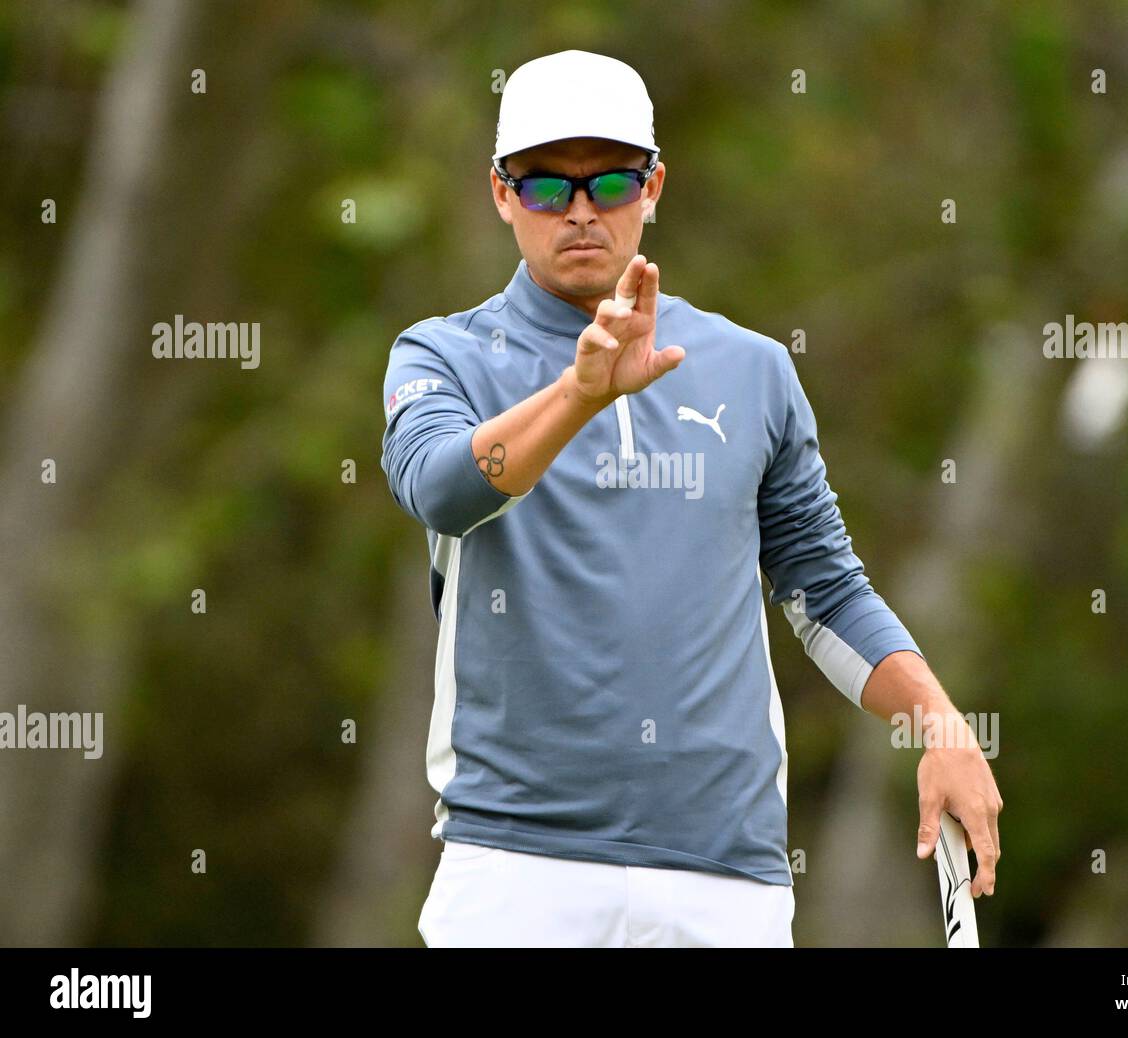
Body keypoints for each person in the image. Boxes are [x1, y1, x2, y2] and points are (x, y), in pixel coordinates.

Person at [380, 49, 1002, 947]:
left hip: (727, 878)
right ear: (502, 194)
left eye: (614, 182)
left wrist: (939, 725)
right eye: (549, 186)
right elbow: (443, 490)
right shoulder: (445, 355)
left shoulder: (753, 369)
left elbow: (824, 591)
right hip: (518, 867)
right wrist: (580, 395)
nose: (583, 211)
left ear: (655, 184)